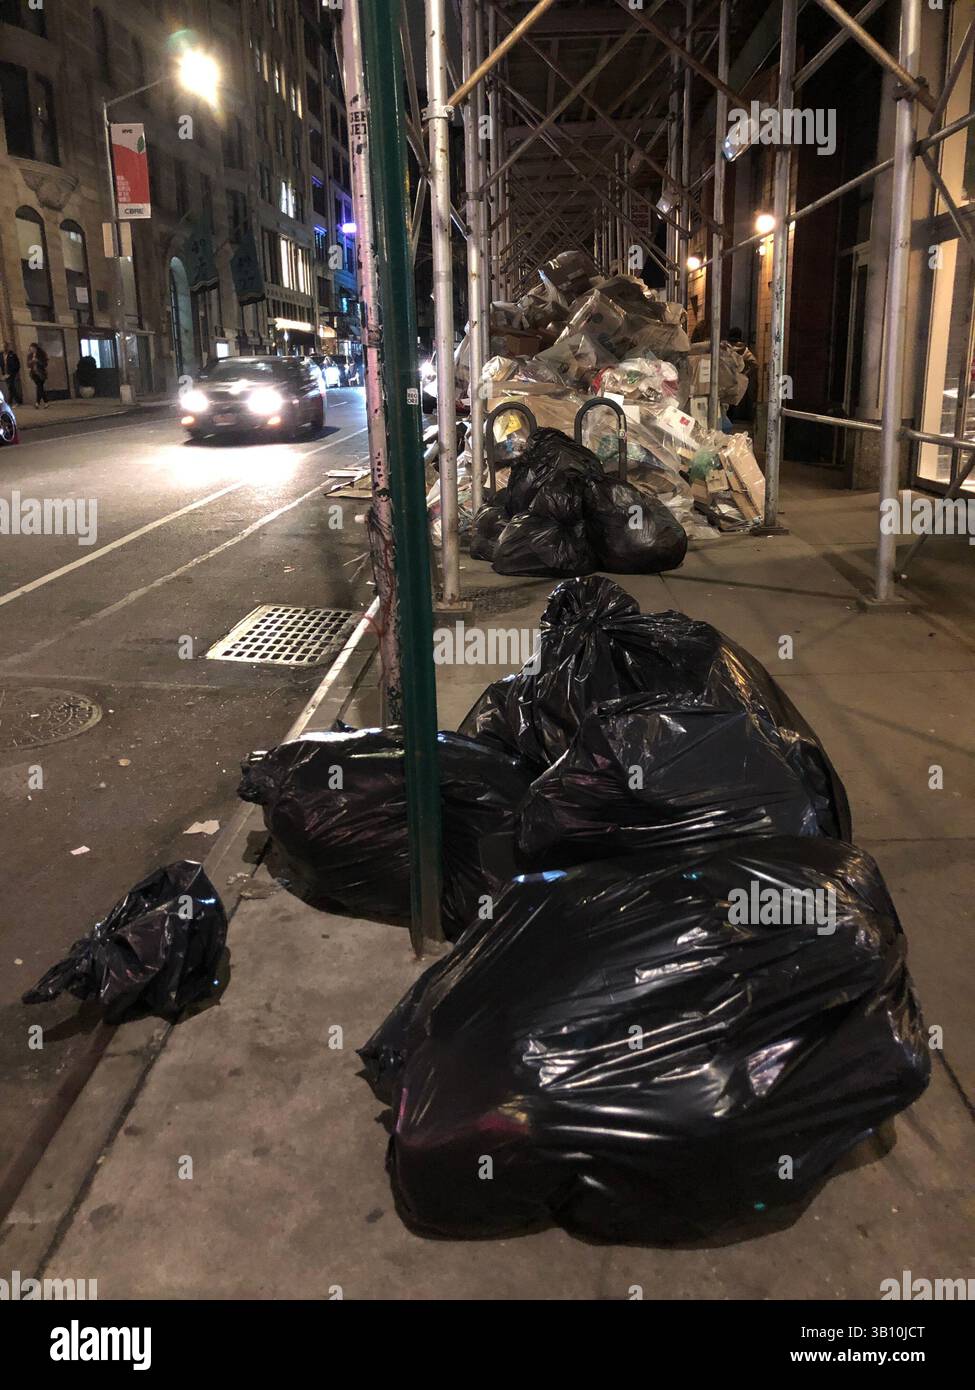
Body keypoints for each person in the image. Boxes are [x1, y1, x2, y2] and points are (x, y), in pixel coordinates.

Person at [26, 342, 49, 408]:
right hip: (34, 373)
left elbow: (45, 364)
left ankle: (38, 403)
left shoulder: (41, 354)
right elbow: (28, 365)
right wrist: (31, 362)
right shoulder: (30, 355)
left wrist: (38, 361)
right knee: (40, 387)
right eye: (31, 349)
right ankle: (45, 402)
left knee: (39, 387)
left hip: (41, 373)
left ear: (36, 348)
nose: (32, 350)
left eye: (33, 348)